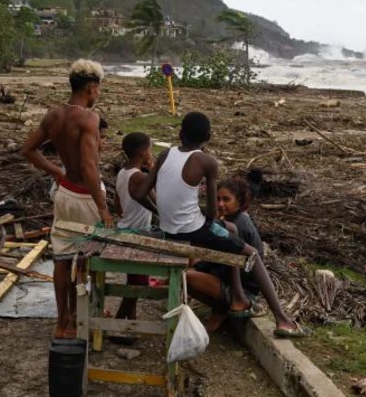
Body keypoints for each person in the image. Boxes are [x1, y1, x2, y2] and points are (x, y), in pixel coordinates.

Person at [135, 112, 309, 338]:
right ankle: (283, 320)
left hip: (169, 229)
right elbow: (212, 212)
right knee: (252, 253)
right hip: (195, 229)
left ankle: (237, 297)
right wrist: (207, 222)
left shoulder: (165, 154)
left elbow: (140, 193)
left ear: (180, 133)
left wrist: (162, 213)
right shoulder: (207, 162)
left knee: (232, 233)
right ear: (208, 136)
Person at [20, 59, 113, 339]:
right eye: (97, 90)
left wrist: (57, 172)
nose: (97, 95)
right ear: (90, 87)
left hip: (65, 193)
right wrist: (103, 207)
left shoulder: (54, 115)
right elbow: (89, 167)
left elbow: (27, 149)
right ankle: (87, 315)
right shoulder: (88, 118)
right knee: (89, 257)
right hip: (86, 196)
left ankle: (63, 322)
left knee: (62, 258)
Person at [186, 173, 268, 331]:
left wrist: (199, 269)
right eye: (217, 199)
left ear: (239, 201)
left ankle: (221, 308)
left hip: (243, 290)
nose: (220, 204)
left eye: (226, 199)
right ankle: (219, 308)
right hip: (227, 278)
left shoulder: (239, 225)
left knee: (187, 277)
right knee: (190, 264)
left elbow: (229, 266)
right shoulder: (230, 220)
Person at [110, 132, 157, 333]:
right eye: (150, 149)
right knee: (138, 282)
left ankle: (127, 320)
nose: (151, 152)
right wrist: (154, 170)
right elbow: (158, 202)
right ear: (143, 151)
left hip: (124, 228)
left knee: (135, 281)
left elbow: (117, 207)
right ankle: (121, 323)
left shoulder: (123, 173)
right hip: (137, 234)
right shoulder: (140, 177)